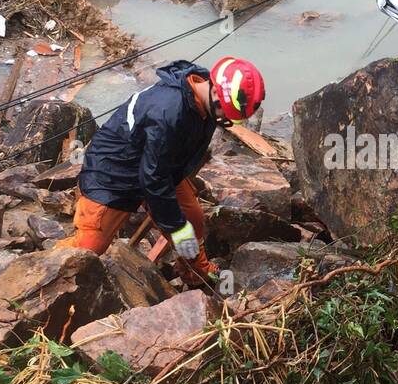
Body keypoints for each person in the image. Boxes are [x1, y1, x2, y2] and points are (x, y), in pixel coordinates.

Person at [57, 56, 265, 276]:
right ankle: (39, 275)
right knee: (88, 250)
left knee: (192, 222)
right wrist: (176, 228)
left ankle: (196, 271)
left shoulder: (204, 92)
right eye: (225, 113)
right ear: (215, 93)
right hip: (113, 173)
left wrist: (180, 226)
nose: (226, 121)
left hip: (161, 167)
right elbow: (153, 180)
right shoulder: (168, 112)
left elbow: (158, 171)